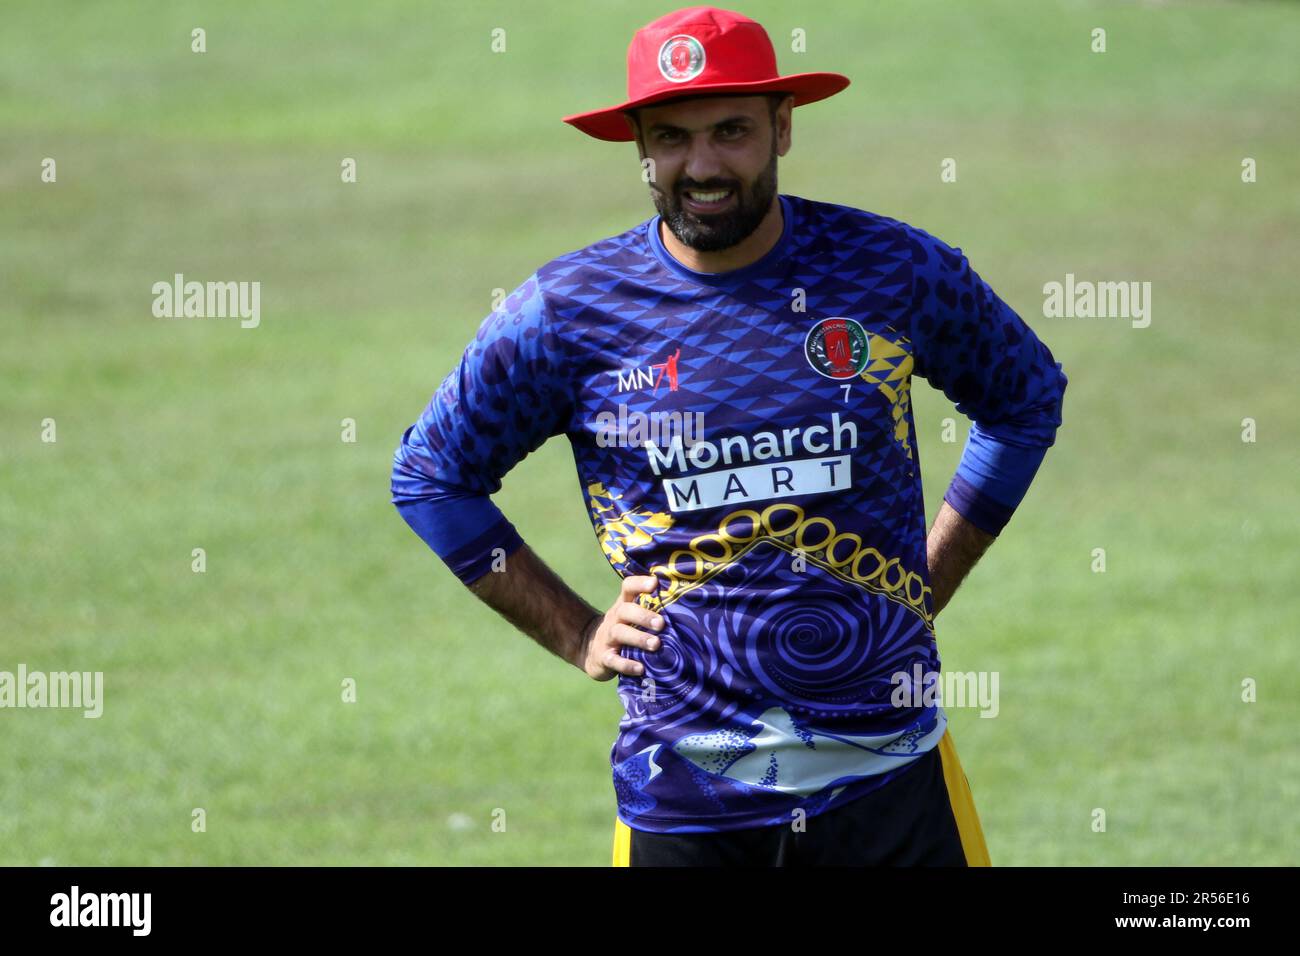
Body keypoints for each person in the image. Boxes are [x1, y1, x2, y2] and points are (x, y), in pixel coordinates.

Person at [391, 5, 1067, 866]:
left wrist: (928, 580)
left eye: (732, 131)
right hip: (683, 800)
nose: (702, 165)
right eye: (671, 136)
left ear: (783, 128)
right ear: (638, 144)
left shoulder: (891, 270)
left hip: (893, 786)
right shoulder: (569, 311)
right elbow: (432, 475)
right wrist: (576, 631)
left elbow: (1024, 397)